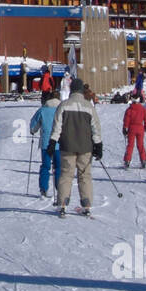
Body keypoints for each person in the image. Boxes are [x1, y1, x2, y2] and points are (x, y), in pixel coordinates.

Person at [49, 79, 103, 217]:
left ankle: (62, 204)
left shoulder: (63, 105)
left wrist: (52, 142)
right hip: (86, 147)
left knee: (66, 174)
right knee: (85, 175)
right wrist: (98, 145)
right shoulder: (88, 107)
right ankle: (87, 204)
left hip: (67, 145)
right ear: (81, 90)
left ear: (72, 90)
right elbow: (95, 127)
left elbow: (57, 126)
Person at [29, 89, 62, 198]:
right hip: (60, 143)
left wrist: (33, 131)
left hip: (46, 143)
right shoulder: (62, 110)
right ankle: (60, 188)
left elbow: (33, 126)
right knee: (59, 167)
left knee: (45, 166)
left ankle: (43, 188)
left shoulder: (42, 110)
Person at [122, 94, 146, 169]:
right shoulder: (142, 108)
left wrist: (125, 128)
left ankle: (127, 160)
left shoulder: (130, 109)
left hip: (132, 128)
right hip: (140, 128)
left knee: (130, 145)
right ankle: (143, 160)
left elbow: (126, 120)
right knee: (140, 144)